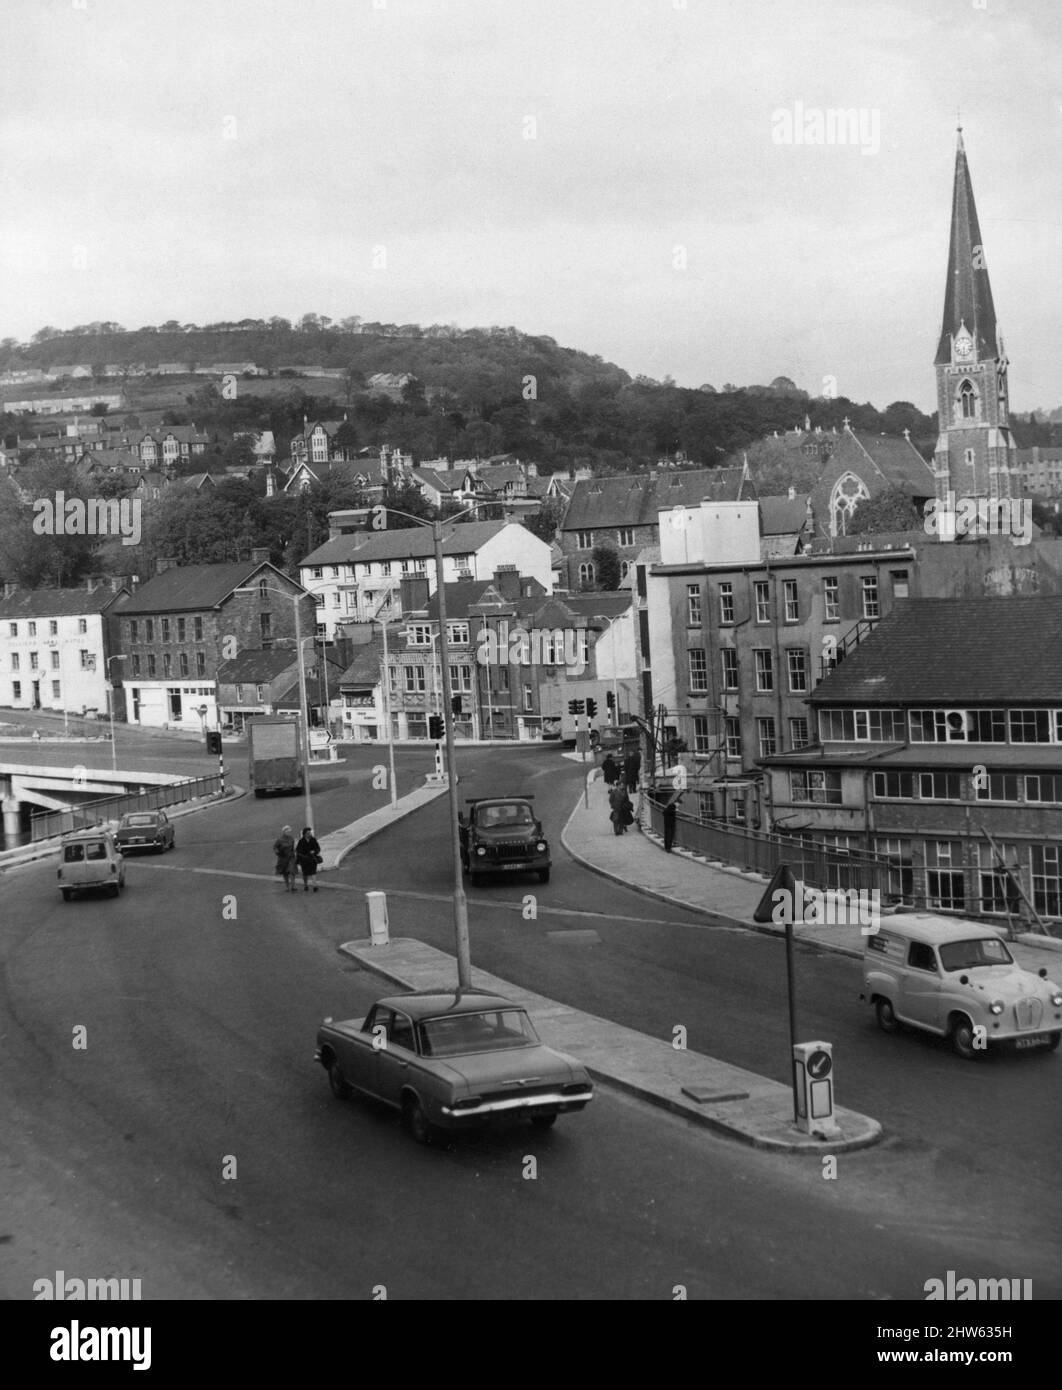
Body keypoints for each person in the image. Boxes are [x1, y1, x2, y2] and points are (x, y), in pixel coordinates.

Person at [295, 826, 322, 893]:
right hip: (304, 860)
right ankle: (305, 885)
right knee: (305, 873)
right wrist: (302, 857)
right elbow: (298, 851)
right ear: (304, 834)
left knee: (313, 872)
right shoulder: (301, 841)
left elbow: (318, 848)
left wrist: (314, 851)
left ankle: (314, 886)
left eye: (310, 833)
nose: (309, 834)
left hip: (312, 859)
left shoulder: (313, 840)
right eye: (308, 833)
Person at [273, 825, 296, 892]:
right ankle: (287, 887)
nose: (289, 832)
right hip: (283, 858)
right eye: (287, 831)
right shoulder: (280, 840)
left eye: (289, 831)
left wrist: (294, 855)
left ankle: (292, 886)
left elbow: (293, 848)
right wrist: (278, 853)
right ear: (284, 832)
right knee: (285, 873)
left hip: (291, 857)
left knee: (292, 871)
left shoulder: (291, 838)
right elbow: (275, 848)